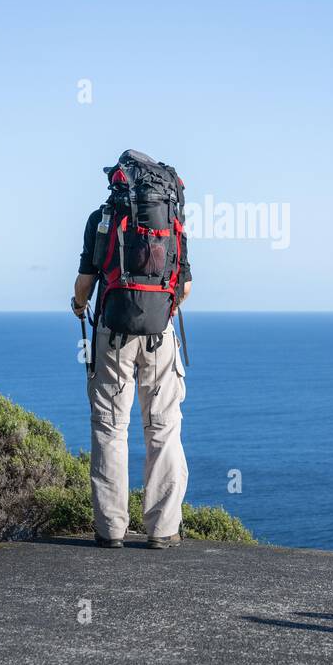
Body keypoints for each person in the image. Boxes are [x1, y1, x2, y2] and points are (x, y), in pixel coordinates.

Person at [70, 151, 191, 550]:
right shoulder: (172, 222)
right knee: (163, 428)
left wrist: (77, 304)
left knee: (109, 426)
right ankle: (162, 528)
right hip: (160, 333)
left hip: (113, 330)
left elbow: (86, 281)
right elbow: (184, 286)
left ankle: (111, 530)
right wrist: (161, 310)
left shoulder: (101, 219)